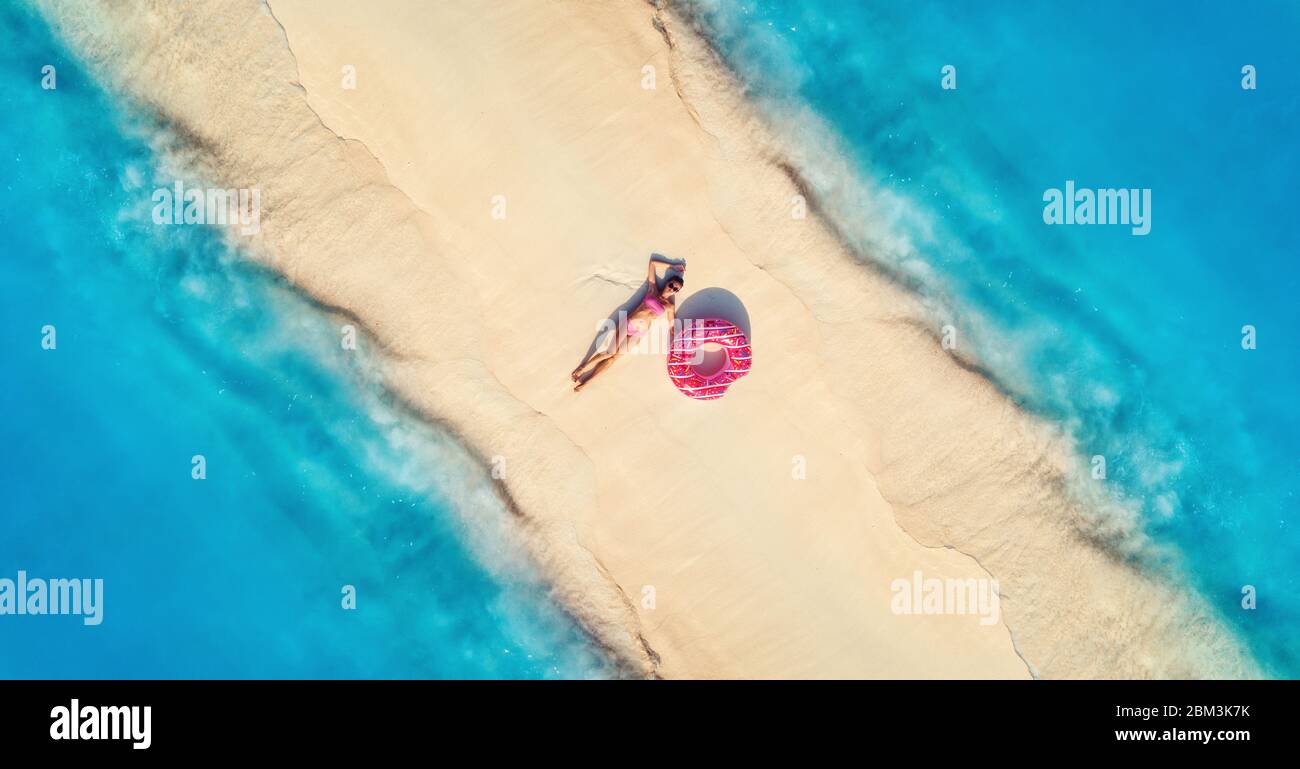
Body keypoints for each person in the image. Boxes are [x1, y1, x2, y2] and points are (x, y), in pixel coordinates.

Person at [571, 254, 686, 391]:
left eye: (675, 289)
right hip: (629, 323)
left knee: (613, 359)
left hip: (639, 334)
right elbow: (652, 263)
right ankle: (582, 368)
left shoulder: (669, 306)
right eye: (672, 285)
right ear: (667, 282)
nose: (672, 289)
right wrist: (672, 266)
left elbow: (672, 325)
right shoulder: (652, 289)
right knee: (609, 352)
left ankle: (586, 383)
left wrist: (678, 341)